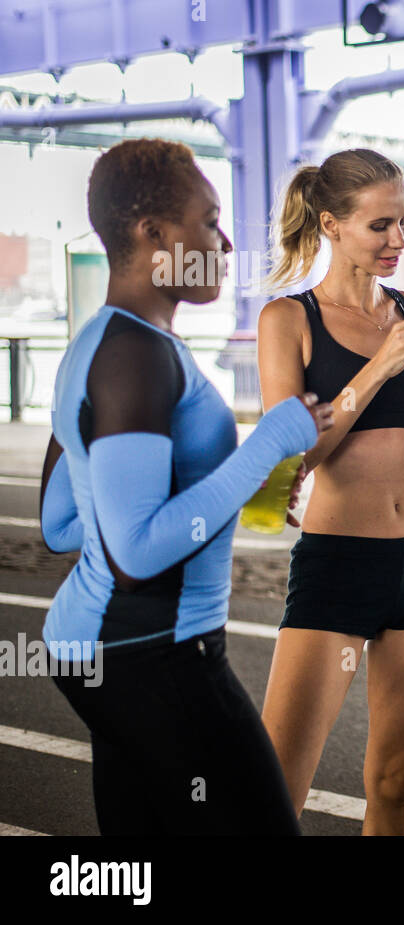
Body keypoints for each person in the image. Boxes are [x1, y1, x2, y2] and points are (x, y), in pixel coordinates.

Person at [40, 138, 332, 834]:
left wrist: (233, 482)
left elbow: (65, 521)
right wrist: (271, 441)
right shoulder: (135, 356)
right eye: (209, 220)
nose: (226, 242)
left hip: (102, 650)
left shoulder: (101, 342)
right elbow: (134, 557)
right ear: (152, 234)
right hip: (153, 650)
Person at [256, 148, 404, 835]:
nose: (398, 240)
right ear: (331, 224)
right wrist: (380, 364)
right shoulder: (289, 320)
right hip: (339, 562)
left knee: (396, 781)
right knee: (275, 791)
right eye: (380, 226)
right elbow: (295, 455)